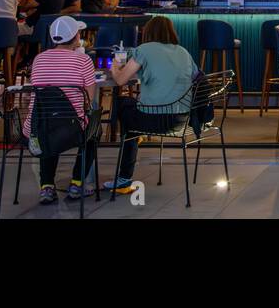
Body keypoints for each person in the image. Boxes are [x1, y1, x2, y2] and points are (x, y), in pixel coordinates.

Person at [106, 16, 199, 192]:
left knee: (123, 104)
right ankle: (135, 137)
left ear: (147, 32)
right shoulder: (183, 52)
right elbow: (195, 78)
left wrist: (115, 66)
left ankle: (125, 177)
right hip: (181, 121)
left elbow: (120, 80)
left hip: (154, 121)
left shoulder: (144, 50)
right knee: (132, 113)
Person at [25, 16, 100, 204]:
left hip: (37, 128)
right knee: (94, 131)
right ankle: (77, 182)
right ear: (76, 37)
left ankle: (47, 186)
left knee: (49, 126)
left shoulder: (39, 59)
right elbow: (88, 99)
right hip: (72, 129)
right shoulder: (83, 61)